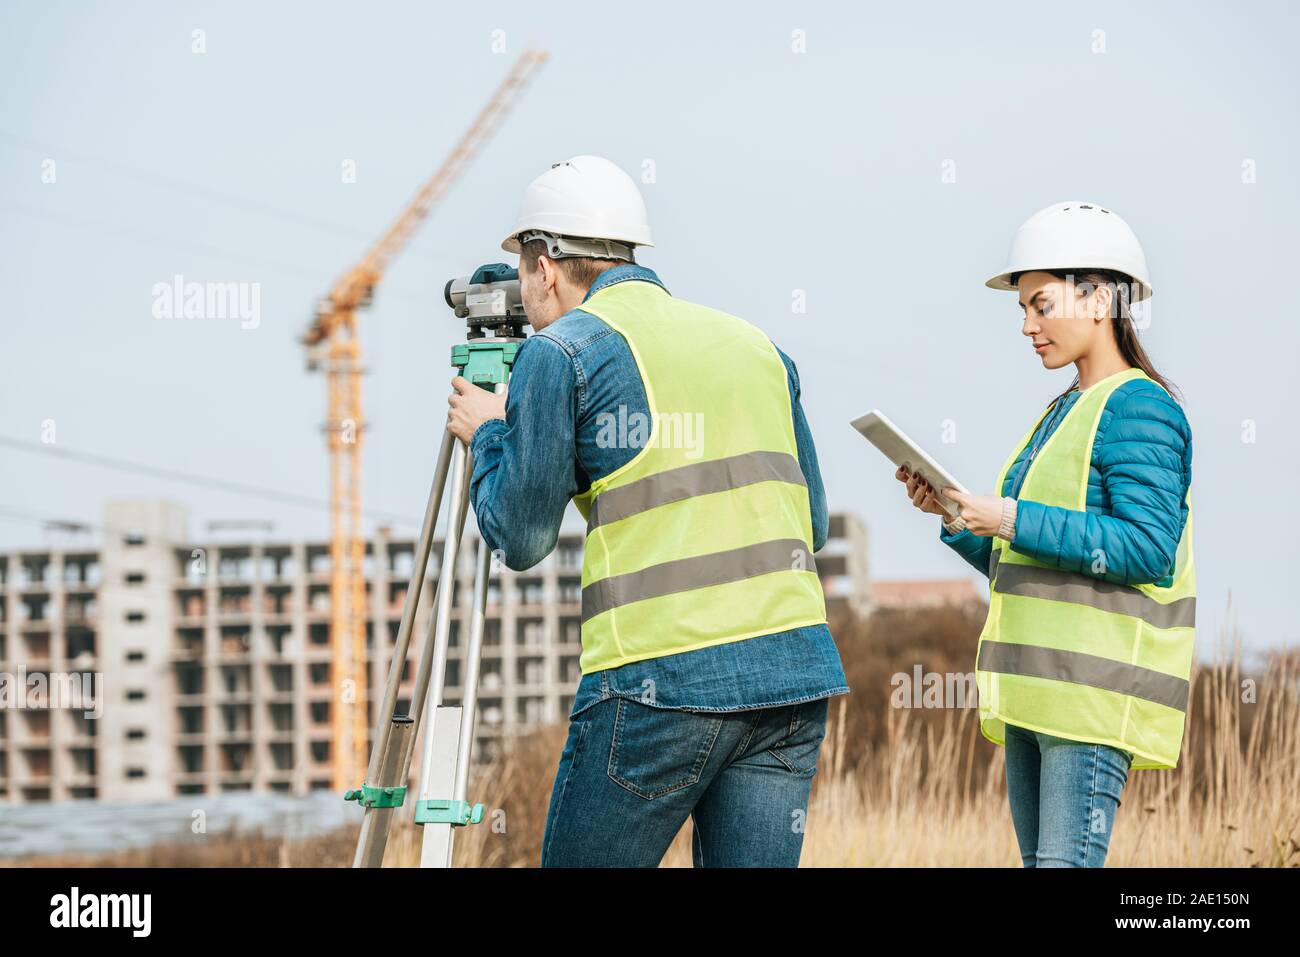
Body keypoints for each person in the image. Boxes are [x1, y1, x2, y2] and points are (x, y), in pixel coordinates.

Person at [444, 155, 848, 867]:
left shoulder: (561, 352)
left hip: (658, 684)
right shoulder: (758, 348)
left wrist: (492, 434)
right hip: (791, 675)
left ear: (544, 267)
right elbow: (811, 527)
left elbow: (521, 534)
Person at [898, 201, 1195, 867]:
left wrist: (1006, 516)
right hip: (1036, 695)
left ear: (1098, 298)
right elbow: (1030, 561)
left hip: (1086, 701)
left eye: (1040, 304)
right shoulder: (1062, 413)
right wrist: (955, 516)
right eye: (1023, 311)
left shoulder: (1141, 408)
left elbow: (1149, 548)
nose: (1028, 326)